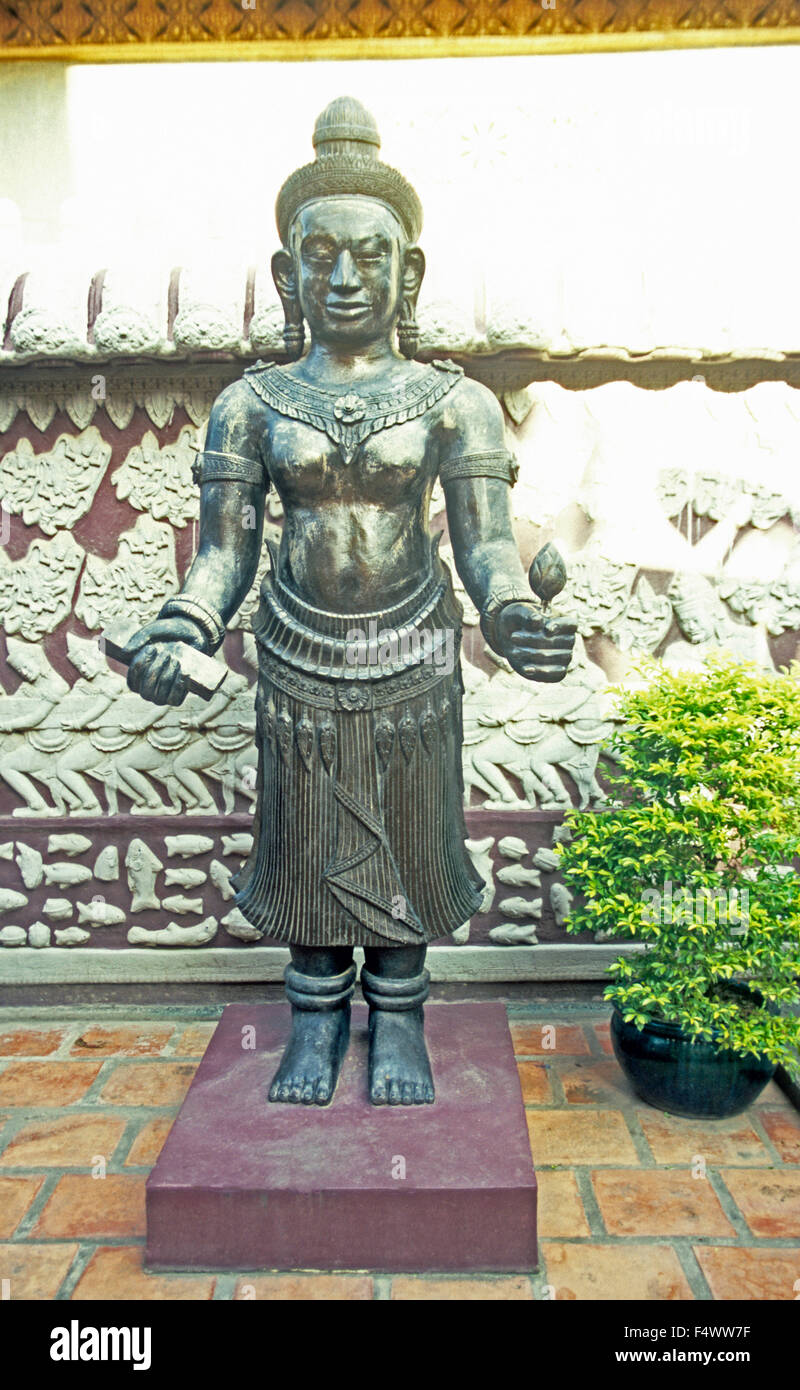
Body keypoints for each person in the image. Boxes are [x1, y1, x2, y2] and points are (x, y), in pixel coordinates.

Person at [125, 98, 575, 1107]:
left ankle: (402, 1020)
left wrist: (512, 619)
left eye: (367, 257)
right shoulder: (252, 403)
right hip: (296, 660)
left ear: (406, 273)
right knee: (307, 850)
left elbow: (488, 547)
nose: (341, 278)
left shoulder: (453, 403)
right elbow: (222, 556)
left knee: (409, 842)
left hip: (414, 655)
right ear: (285, 273)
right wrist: (181, 625)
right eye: (317, 255)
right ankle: (316, 1023)